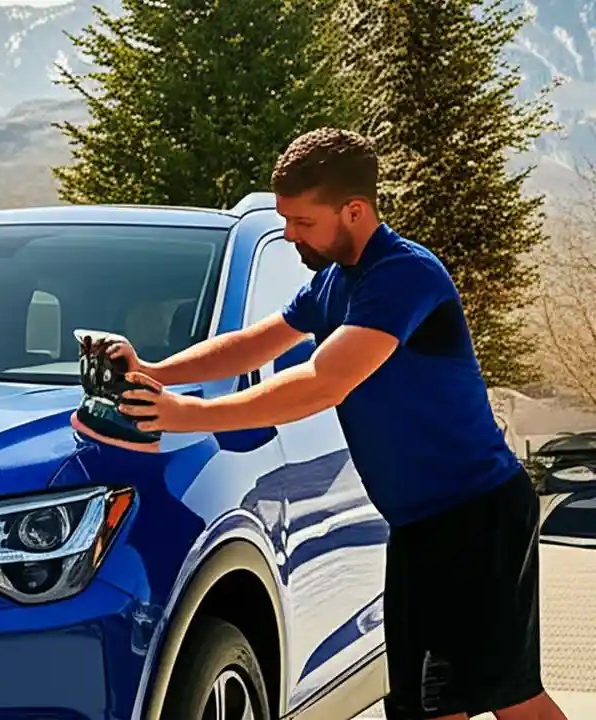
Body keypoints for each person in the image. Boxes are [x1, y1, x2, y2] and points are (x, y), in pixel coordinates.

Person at [106, 127, 568, 720]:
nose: (290, 234)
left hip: (478, 519)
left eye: (302, 222)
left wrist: (191, 415)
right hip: (419, 527)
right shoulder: (334, 281)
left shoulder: (404, 276)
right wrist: (156, 373)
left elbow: (324, 382)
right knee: (425, 705)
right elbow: (253, 344)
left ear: (354, 210)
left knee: (509, 699)